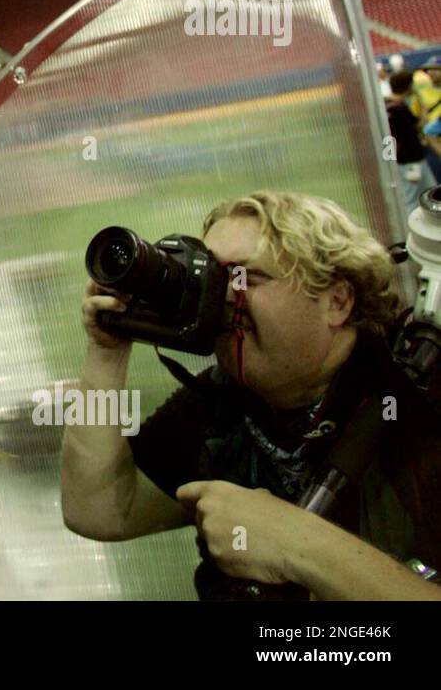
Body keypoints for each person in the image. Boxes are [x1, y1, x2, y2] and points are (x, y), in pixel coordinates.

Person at [63, 191, 441, 600]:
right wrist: (106, 351)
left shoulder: (418, 396)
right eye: (212, 277)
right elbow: (97, 511)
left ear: (337, 301)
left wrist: (296, 543)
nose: (219, 298)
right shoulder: (223, 402)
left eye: (245, 278)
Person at [386, 69, 436, 216]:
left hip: (404, 159)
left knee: (429, 193)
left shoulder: (388, 105)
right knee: (413, 200)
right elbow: (419, 125)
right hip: (411, 160)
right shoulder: (399, 108)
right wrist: (422, 107)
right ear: (408, 87)